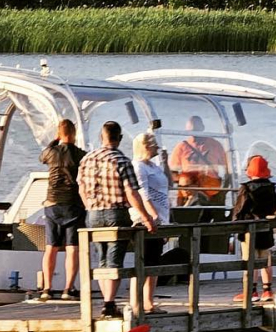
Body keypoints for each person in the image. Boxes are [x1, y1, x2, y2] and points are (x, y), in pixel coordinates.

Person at [77, 121, 156, 320]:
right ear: (119, 138)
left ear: (101, 137)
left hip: (93, 214)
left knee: (102, 259)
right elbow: (131, 192)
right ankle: (109, 304)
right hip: (115, 213)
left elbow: (80, 188)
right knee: (114, 260)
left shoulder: (87, 158)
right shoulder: (121, 160)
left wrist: (89, 206)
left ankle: (108, 302)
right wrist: (146, 217)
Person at [38, 120, 87, 301]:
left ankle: (47, 288)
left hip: (52, 203)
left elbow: (41, 157)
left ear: (59, 133)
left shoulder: (51, 152)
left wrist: (54, 141)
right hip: (73, 204)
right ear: (74, 134)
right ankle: (68, 288)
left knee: (51, 247)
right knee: (72, 248)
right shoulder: (81, 155)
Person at [130, 130, 171, 314]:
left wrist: (166, 161)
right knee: (143, 261)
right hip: (146, 219)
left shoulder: (154, 166)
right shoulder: (138, 167)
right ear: (145, 146)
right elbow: (143, 193)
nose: (157, 147)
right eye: (154, 144)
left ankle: (149, 301)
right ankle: (136, 302)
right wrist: (153, 216)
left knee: (154, 262)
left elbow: (167, 183)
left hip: (161, 216)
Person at [231, 156, 276, 303]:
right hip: (265, 228)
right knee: (265, 259)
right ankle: (267, 290)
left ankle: (251, 292)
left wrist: (235, 222)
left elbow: (239, 209)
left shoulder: (246, 188)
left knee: (250, 260)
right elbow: (274, 207)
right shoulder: (271, 188)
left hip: (249, 230)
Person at [169, 115, 229, 206]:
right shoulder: (181, 148)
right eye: (190, 131)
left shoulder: (215, 145)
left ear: (202, 128)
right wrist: (186, 184)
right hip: (189, 195)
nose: (194, 134)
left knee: (218, 217)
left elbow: (228, 170)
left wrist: (224, 191)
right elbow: (173, 174)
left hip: (213, 192)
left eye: (196, 130)